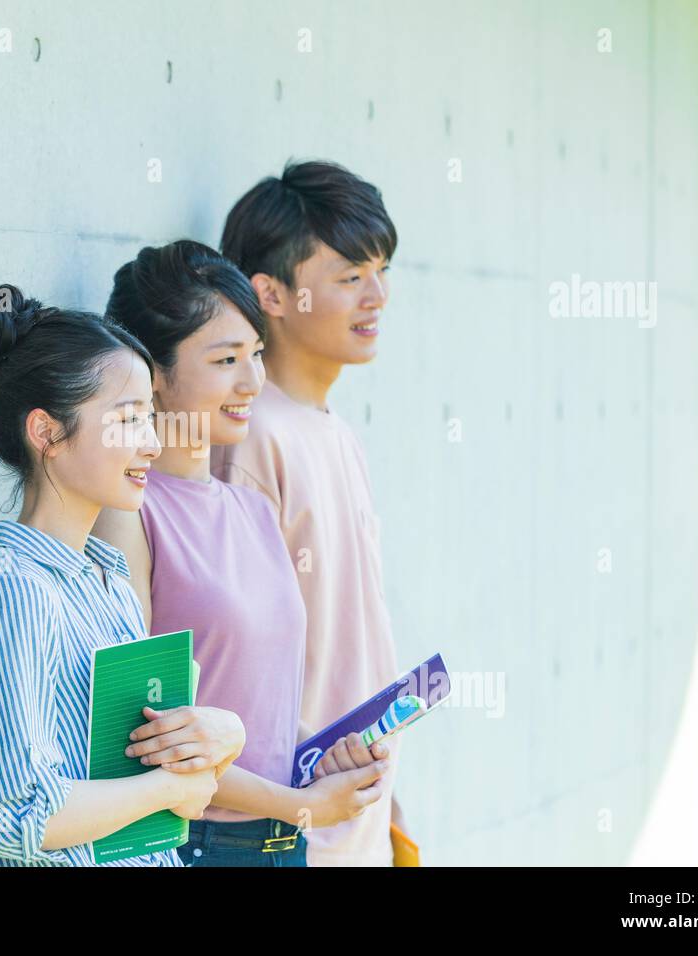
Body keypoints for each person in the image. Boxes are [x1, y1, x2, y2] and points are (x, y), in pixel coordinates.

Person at [94, 240, 391, 867]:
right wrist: (298, 803)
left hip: (282, 847)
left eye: (255, 354)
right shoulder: (130, 515)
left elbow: (263, 711)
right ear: (152, 373)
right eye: (226, 359)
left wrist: (322, 755)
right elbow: (138, 739)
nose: (253, 380)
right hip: (194, 847)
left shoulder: (253, 510)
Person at [0, 284, 246, 866]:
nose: (149, 443)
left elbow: (140, 766)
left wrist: (221, 735)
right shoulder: (18, 588)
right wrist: (167, 790)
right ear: (46, 433)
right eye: (127, 420)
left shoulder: (108, 579)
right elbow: (16, 818)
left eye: (149, 419)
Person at [212, 160, 411, 867]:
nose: (377, 295)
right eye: (350, 275)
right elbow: (232, 661)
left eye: (381, 271)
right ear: (272, 293)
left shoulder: (332, 430)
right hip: (292, 831)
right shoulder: (249, 435)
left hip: (357, 818)